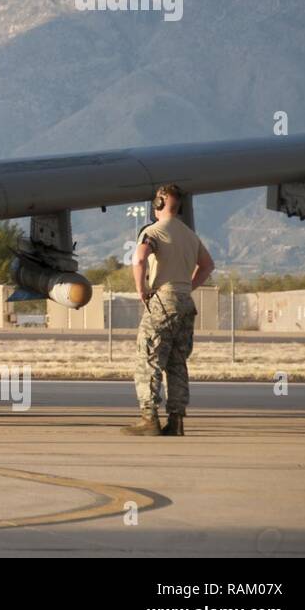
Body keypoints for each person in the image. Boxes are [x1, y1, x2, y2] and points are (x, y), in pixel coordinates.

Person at [124, 183, 214, 436]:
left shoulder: (153, 231)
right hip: (185, 302)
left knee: (149, 360)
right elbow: (208, 265)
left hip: (162, 301)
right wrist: (187, 286)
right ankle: (176, 421)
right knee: (177, 363)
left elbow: (139, 258)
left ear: (159, 204)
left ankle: (149, 418)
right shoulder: (189, 235)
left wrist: (141, 289)